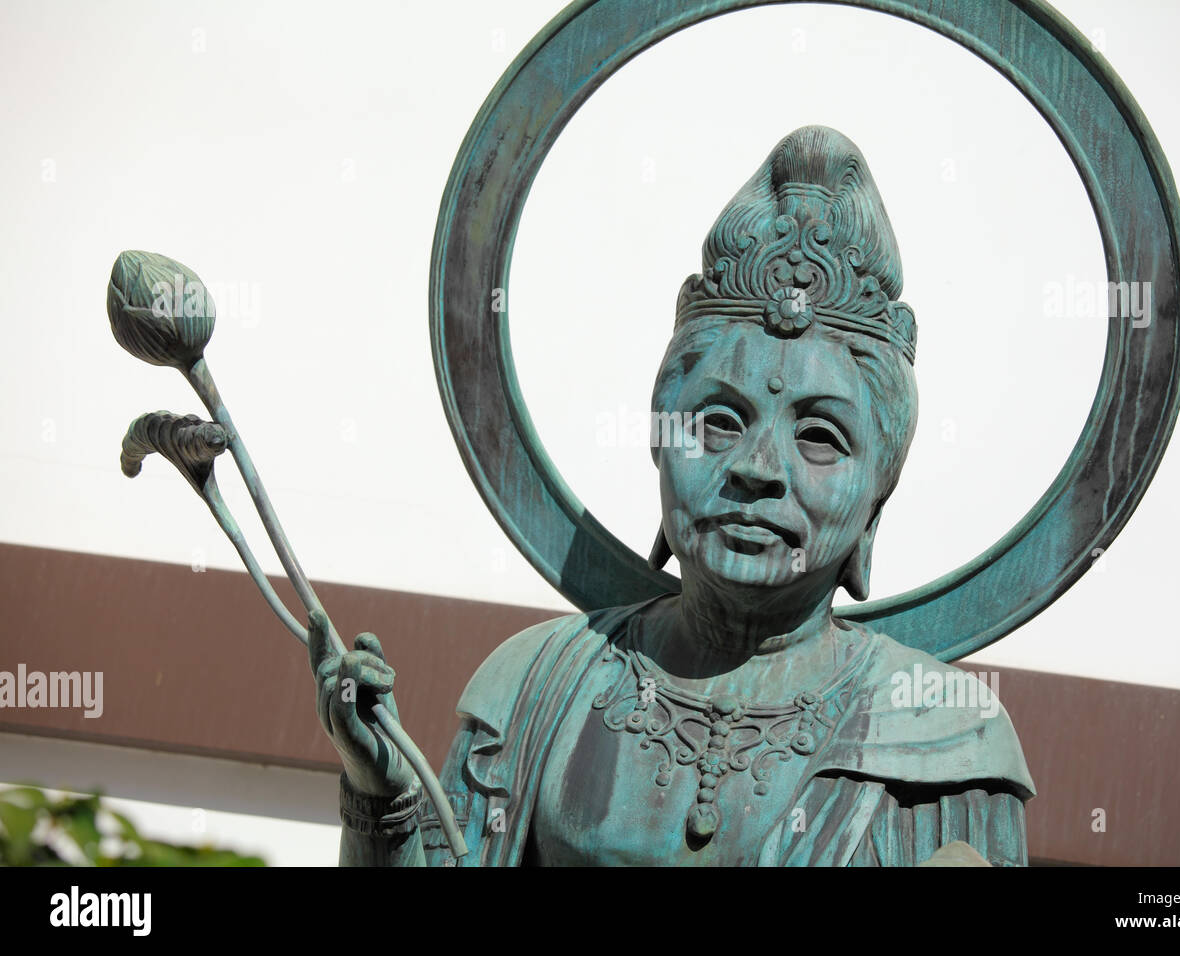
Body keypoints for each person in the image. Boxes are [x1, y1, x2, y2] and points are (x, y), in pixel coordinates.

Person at [311, 125, 1034, 866]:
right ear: (659, 438)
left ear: (879, 489)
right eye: (718, 421)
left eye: (819, 436)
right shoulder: (537, 684)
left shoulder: (940, 734)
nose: (757, 467)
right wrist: (382, 799)